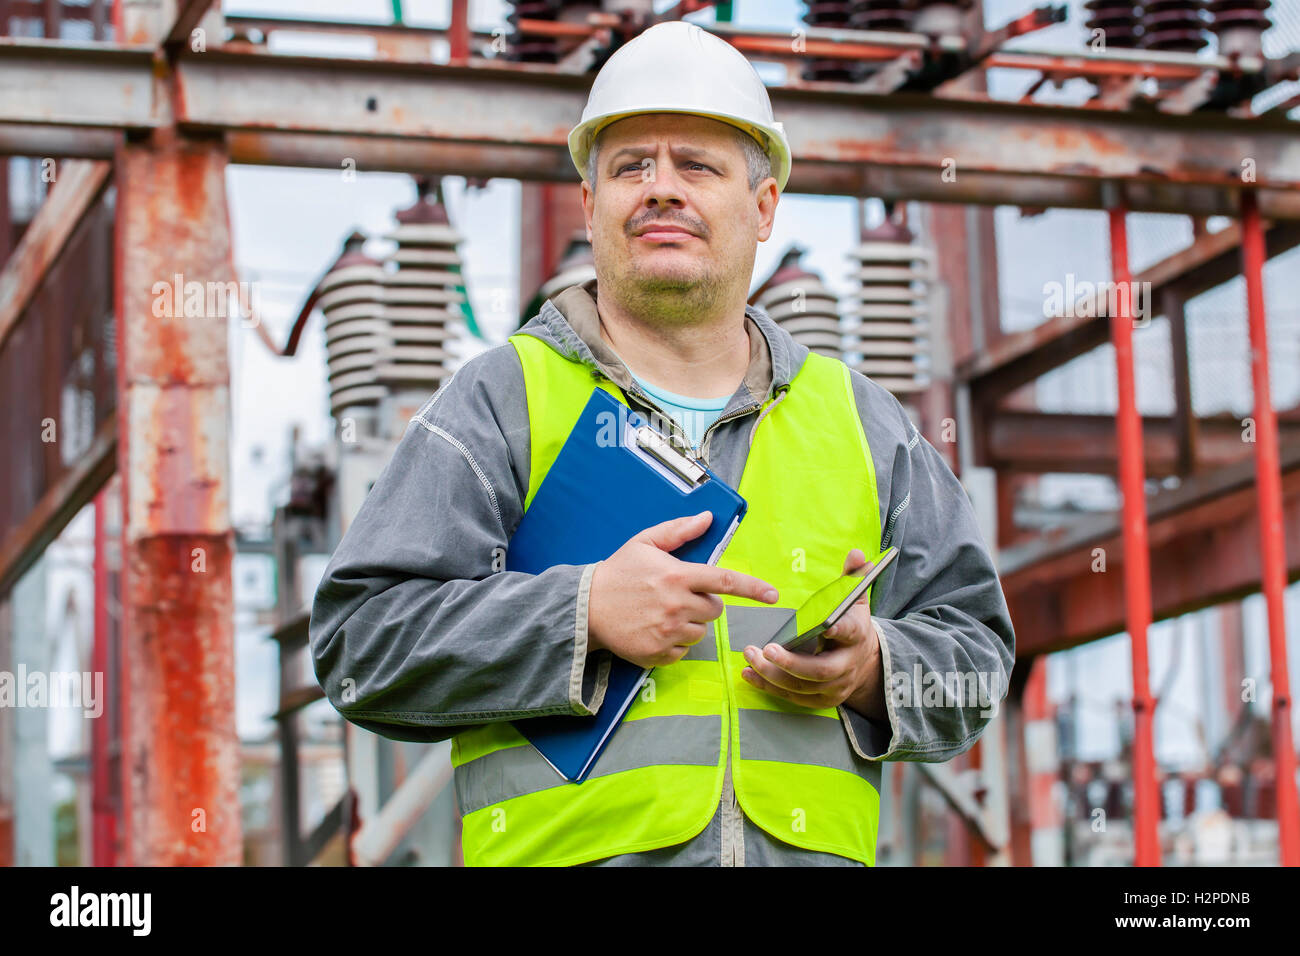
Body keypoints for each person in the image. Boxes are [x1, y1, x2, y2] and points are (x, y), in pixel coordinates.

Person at [309, 20, 1015, 867]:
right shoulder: (505, 400)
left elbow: (977, 660)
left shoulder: (861, 421)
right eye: (631, 166)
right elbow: (361, 645)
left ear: (763, 209)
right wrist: (582, 613)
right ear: (589, 203)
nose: (661, 189)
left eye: (698, 166)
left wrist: (872, 670)